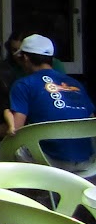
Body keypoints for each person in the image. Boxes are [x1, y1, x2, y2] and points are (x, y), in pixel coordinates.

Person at [6, 34, 95, 173]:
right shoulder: (75, 84)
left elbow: (16, 131)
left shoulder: (23, 84)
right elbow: (91, 119)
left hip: (49, 162)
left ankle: (30, 194)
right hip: (87, 162)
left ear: (26, 58)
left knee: (2, 152)